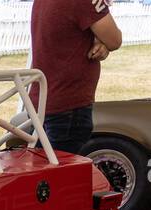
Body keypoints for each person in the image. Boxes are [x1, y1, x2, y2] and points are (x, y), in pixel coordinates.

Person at [29, 0, 123, 154]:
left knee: (43, 170)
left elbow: (69, 33)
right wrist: (103, 41)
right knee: (64, 173)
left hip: (42, 99)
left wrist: (99, 41)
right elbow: (114, 40)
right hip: (68, 104)